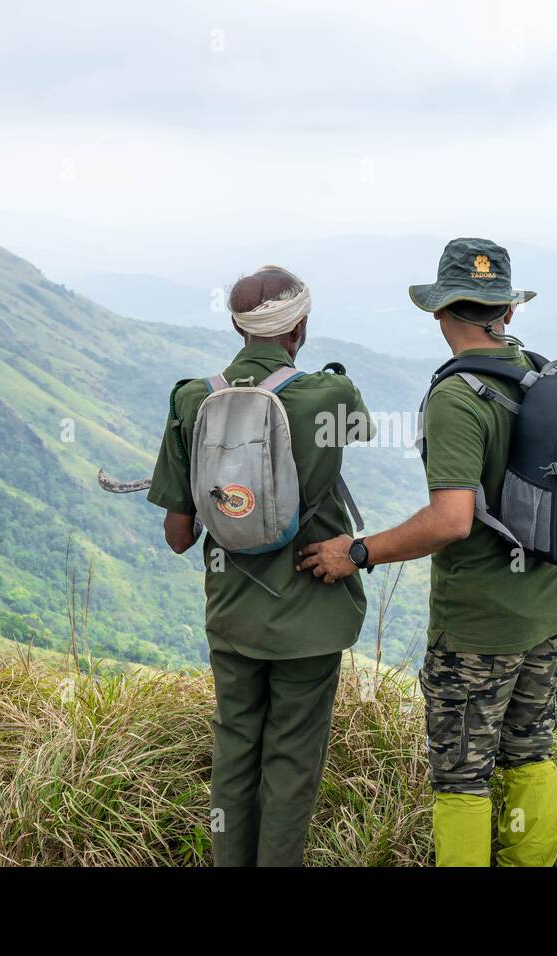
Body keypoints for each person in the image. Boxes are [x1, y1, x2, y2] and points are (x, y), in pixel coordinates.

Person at [297, 238, 557, 867]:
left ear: (440, 313)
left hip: (481, 626)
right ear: (506, 312)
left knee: (461, 777)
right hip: (551, 609)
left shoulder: (459, 397)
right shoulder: (538, 374)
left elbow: (451, 521)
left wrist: (359, 551)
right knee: (530, 753)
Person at [147, 265, 373, 866]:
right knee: (291, 765)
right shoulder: (332, 394)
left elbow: (177, 535)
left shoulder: (192, 399)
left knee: (234, 753)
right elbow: (358, 432)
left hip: (233, 614)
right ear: (299, 327)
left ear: (235, 326)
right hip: (311, 614)